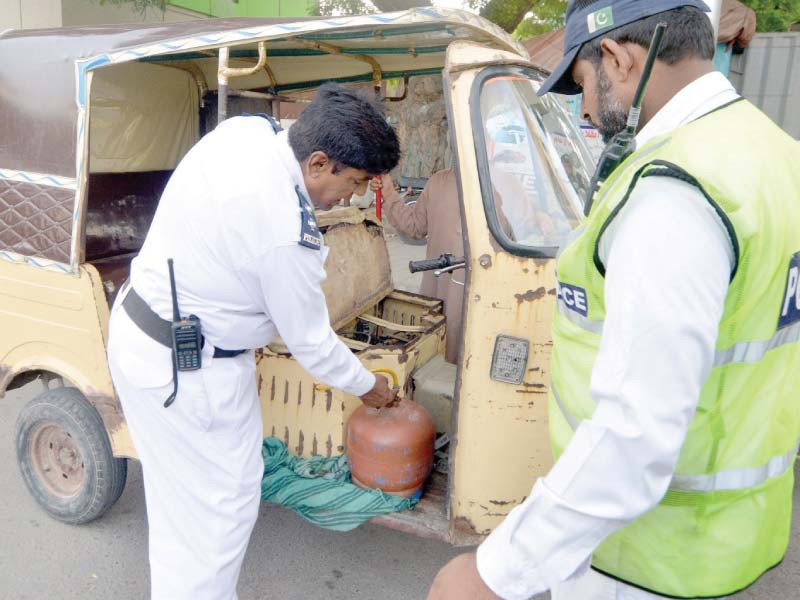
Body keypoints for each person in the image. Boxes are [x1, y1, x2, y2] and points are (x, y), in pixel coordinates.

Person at [428, 1, 800, 599]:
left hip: (645, 556)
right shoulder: (774, 154)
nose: (585, 109)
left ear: (622, 59)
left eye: (581, 84)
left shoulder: (674, 195)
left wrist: (494, 571)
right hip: (727, 539)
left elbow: (635, 433)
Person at [106, 83, 400, 599]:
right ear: (317, 162)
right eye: (353, 183)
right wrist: (369, 385)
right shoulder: (285, 232)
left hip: (145, 334)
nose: (351, 197)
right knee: (215, 520)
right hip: (189, 373)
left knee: (181, 507)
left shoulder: (249, 132)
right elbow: (312, 344)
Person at [375, 170, 463, 363]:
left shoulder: (505, 186)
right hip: (440, 296)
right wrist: (388, 192)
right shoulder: (439, 182)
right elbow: (415, 226)